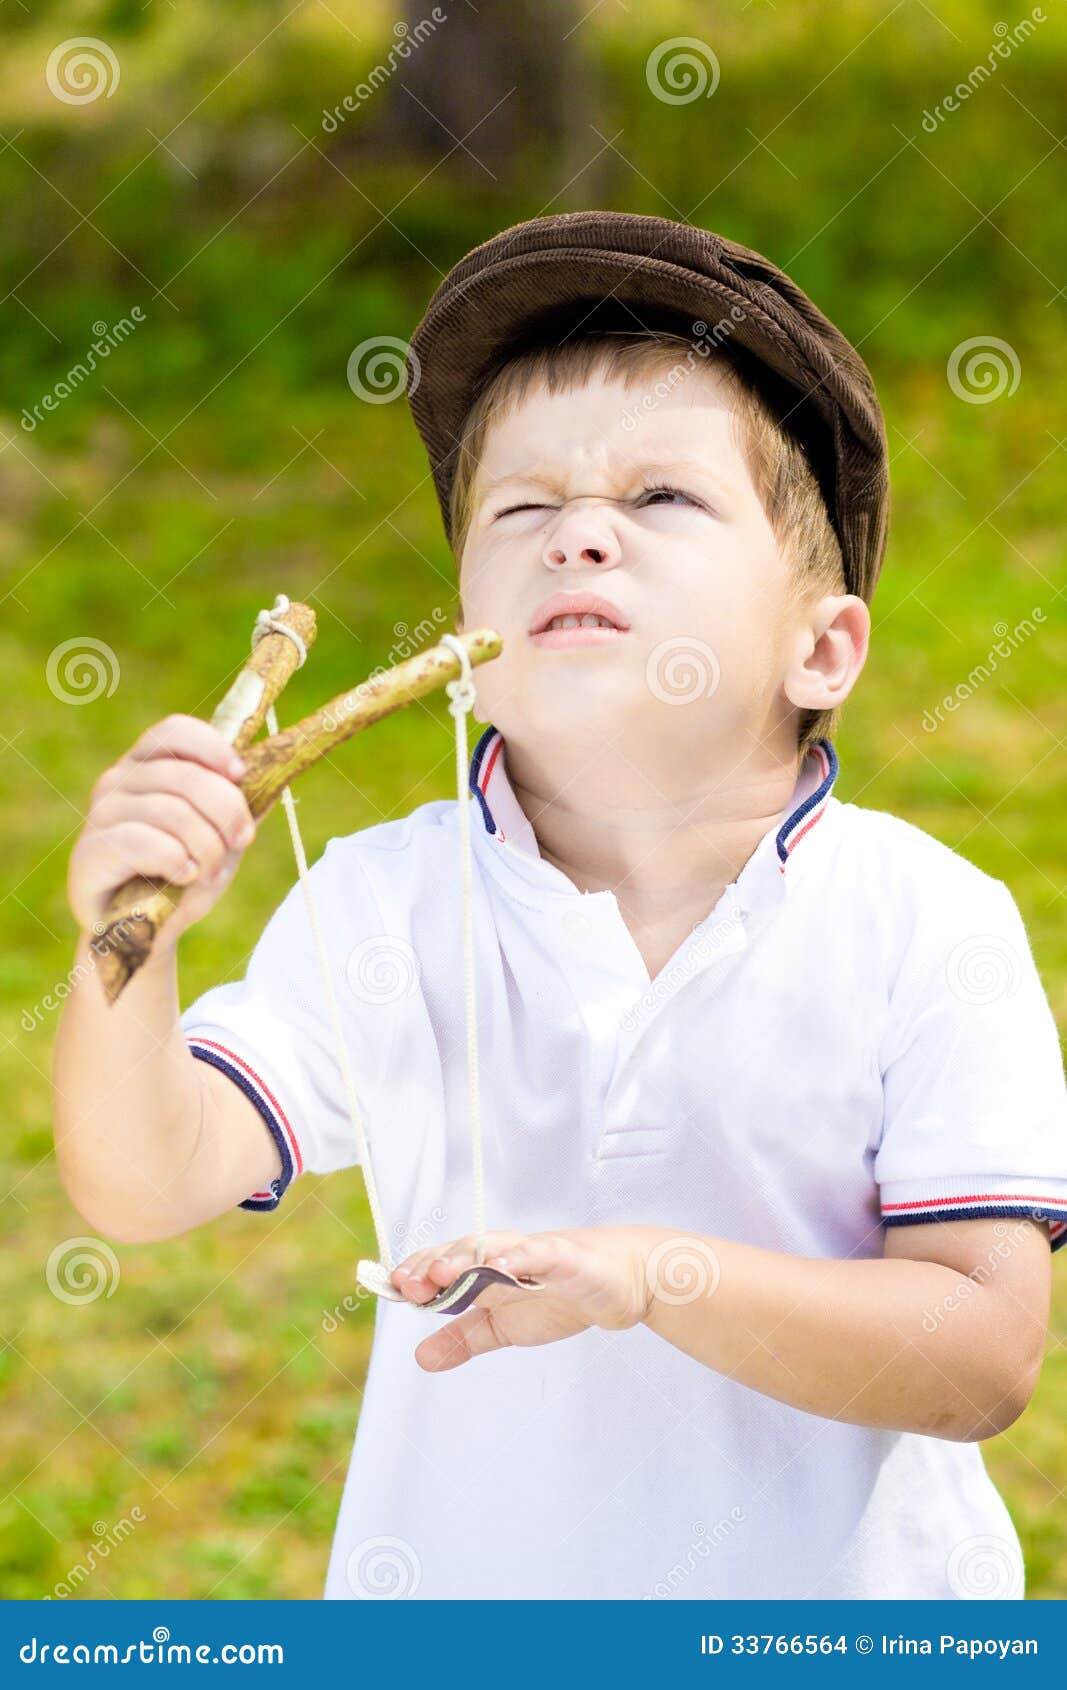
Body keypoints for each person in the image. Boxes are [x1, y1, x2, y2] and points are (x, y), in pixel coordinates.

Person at [54, 212, 1067, 1600]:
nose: (579, 533)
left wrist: (657, 1274)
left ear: (821, 647)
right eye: (521, 509)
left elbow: (980, 1356)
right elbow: (143, 1177)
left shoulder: (926, 923)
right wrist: (129, 946)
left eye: (660, 500)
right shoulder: (384, 900)